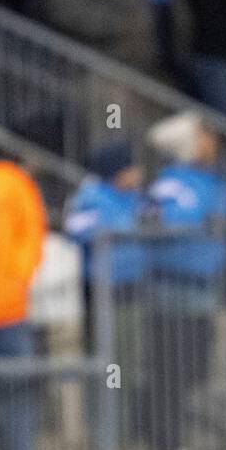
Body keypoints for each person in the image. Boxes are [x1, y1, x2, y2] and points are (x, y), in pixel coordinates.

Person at [144, 111, 226, 450]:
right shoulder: (173, 185)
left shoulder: (210, 182)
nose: (212, 144)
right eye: (204, 136)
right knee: (171, 374)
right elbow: (161, 223)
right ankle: (167, 447)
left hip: (203, 294)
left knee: (194, 372)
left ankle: (177, 443)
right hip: (174, 296)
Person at [0, 119, 47, 450]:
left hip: (8, 314)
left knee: (16, 401)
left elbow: (32, 230)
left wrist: (16, 275)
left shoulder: (7, 181)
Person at [63, 141, 146, 349]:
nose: (138, 172)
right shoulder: (92, 196)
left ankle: (126, 382)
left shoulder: (135, 196)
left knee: (129, 348)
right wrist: (121, 227)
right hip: (102, 286)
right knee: (105, 349)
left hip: (131, 283)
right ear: (118, 171)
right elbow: (74, 228)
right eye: (131, 167)